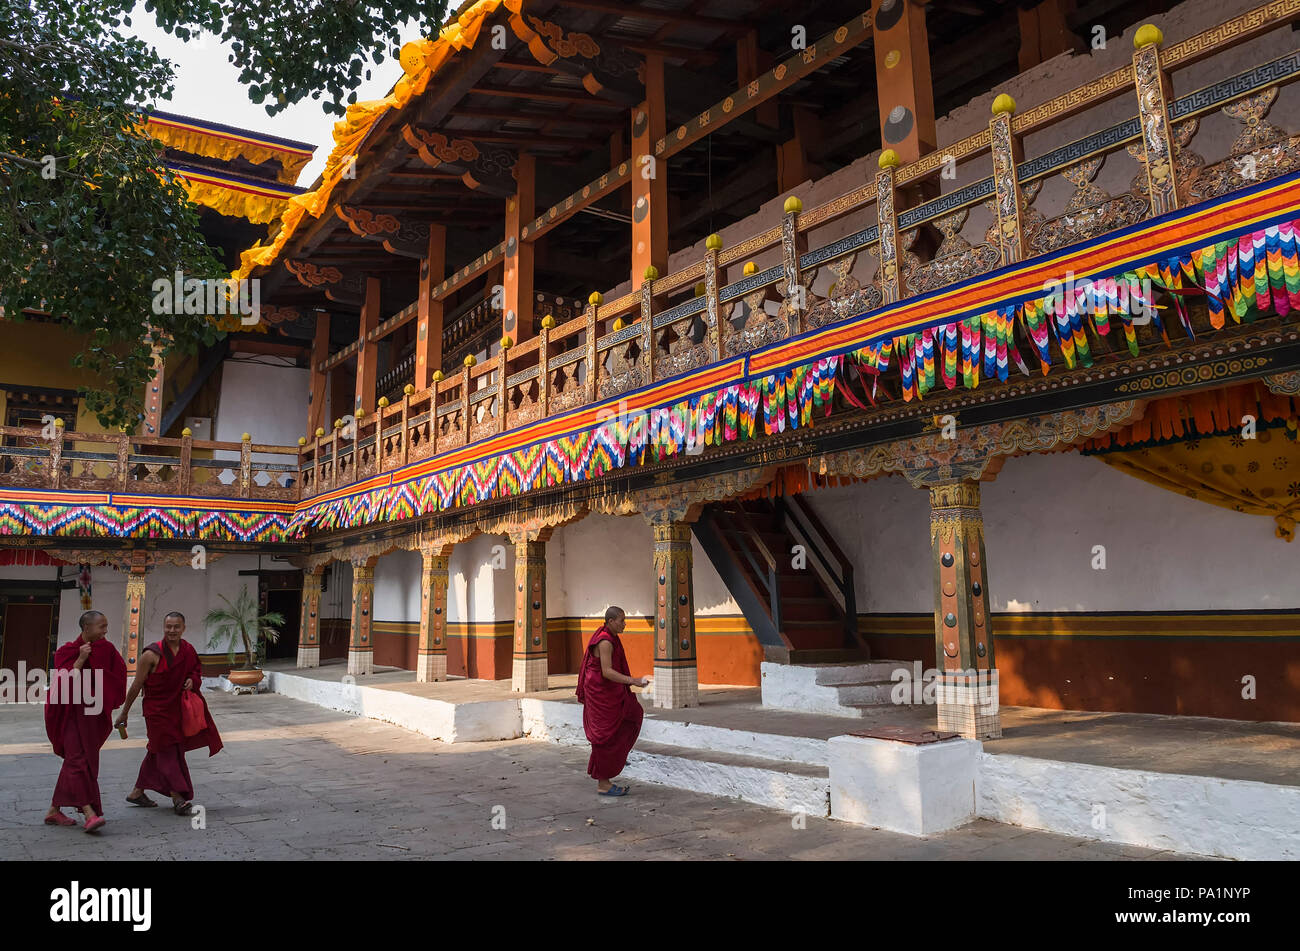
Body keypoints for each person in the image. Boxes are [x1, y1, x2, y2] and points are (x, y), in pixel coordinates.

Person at [114, 612, 223, 814]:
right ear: (163, 627)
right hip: (156, 712)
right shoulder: (150, 654)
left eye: (176, 627)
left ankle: (137, 792)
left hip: (177, 710)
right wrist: (124, 713)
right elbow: (137, 685)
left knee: (159, 749)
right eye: (168, 627)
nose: (172, 631)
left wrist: (193, 680)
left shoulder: (188, 650)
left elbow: (195, 671)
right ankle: (178, 797)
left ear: (183, 628)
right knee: (168, 752)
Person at [44, 611, 127, 833]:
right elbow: (61, 684)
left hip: (94, 716)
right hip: (71, 715)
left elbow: (118, 675)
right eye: (102, 626)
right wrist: (80, 660)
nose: (105, 631)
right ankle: (89, 814)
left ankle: (54, 810)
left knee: (79, 760)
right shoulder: (67, 652)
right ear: (86, 628)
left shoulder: (107, 650)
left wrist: (111, 698)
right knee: (77, 761)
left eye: (106, 626)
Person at [576, 606, 648, 797]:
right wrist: (634, 680)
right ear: (610, 622)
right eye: (621, 620)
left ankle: (611, 769)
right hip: (601, 695)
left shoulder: (610, 637)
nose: (625, 624)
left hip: (609, 693)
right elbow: (606, 672)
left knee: (633, 714)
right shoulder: (605, 641)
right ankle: (604, 783)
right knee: (605, 738)